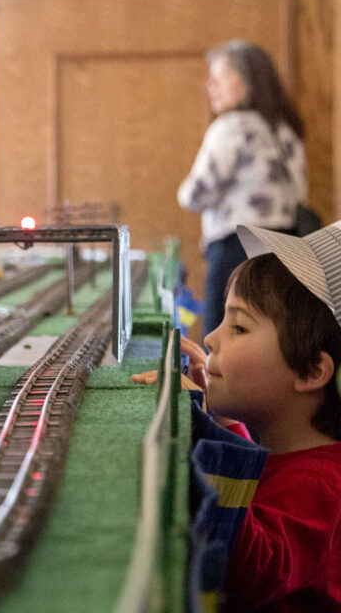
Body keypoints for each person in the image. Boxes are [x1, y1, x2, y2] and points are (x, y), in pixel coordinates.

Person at [135, 221, 341, 610]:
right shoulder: (299, 455)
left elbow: (245, 574)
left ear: (311, 372)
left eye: (239, 326)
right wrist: (224, 426)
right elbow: (258, 502)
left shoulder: (323, 485)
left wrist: (201, 430)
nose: (211, 338)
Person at [177, 39, 307, 341]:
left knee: (221, 342)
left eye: (219, 75)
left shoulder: (231, 127)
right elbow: (300, 192)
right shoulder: (285, 128)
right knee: (273, 341)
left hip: (236, 251)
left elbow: (195, 195)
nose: (210, 84)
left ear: (247, 80)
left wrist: (182, 192)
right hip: (286, 249)